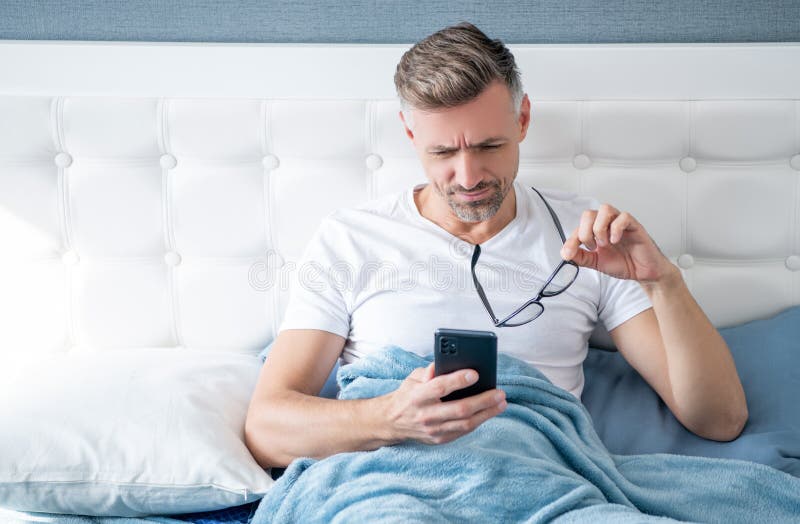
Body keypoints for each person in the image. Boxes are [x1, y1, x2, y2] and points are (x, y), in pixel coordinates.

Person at [244, 22, 748, 470]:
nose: (468, 177)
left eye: (489, 146)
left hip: (539, 480)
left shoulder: (590, 236)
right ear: (410, 134)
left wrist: (664, 283)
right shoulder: (351, 239)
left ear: (522, 120)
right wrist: (390, 417)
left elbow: (720, 420)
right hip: (384, 484)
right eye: (442, 151)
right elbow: (267, 431)